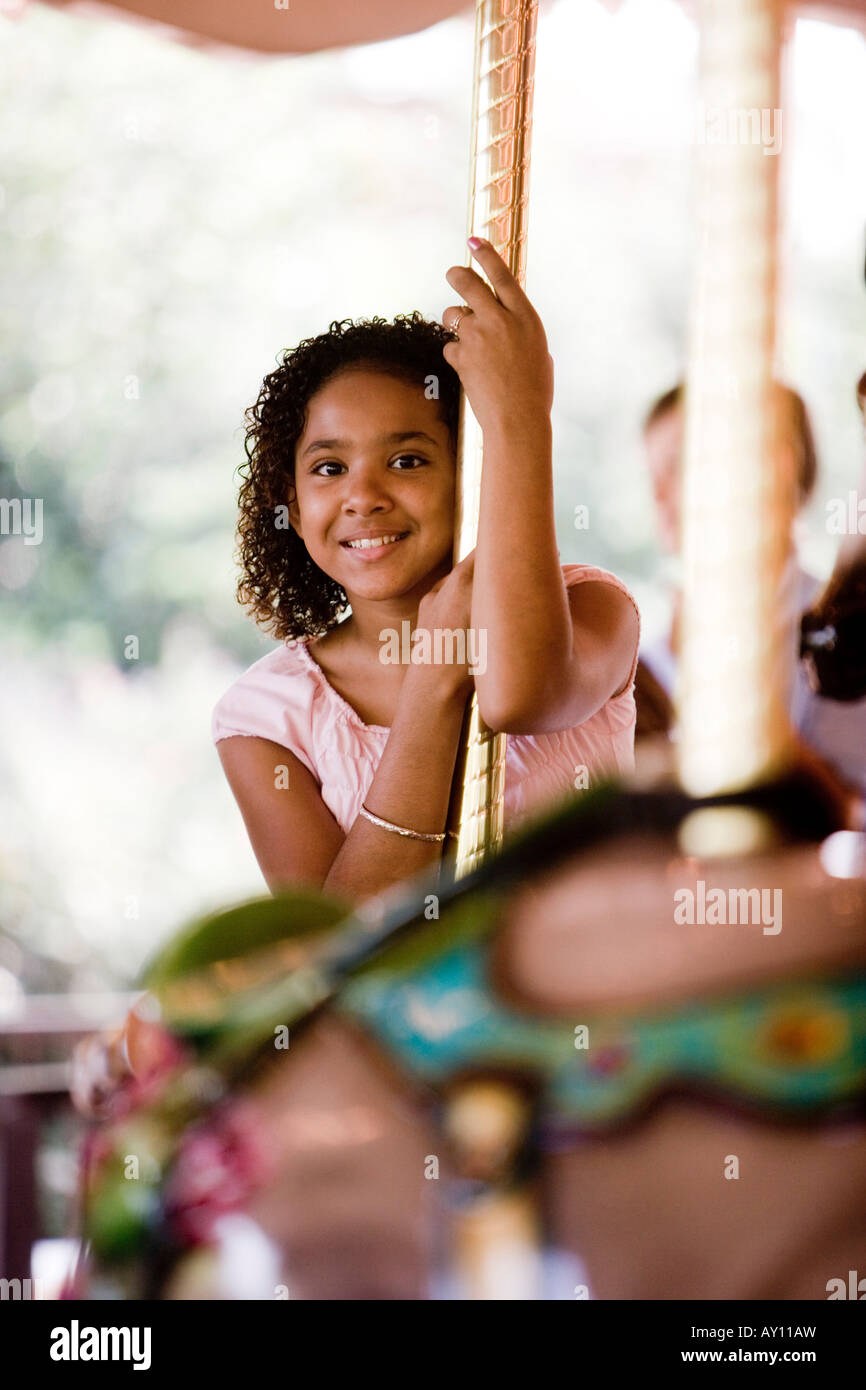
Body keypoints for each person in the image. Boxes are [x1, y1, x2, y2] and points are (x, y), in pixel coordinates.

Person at [211, 238, 640, 904]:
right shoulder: (267, 719)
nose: (364, 495)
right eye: (329, 469)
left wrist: (519, 418)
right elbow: (345, 943)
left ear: (469, 473)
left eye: (408, 460)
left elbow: (520, 696)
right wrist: (435, 683)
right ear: (291, 507)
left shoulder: (593, 609)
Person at [637, 379, 866, 808]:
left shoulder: (843, 635)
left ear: (774, 466)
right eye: (653, 474)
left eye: (680, 465)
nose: (659, 495)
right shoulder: (640, 656)